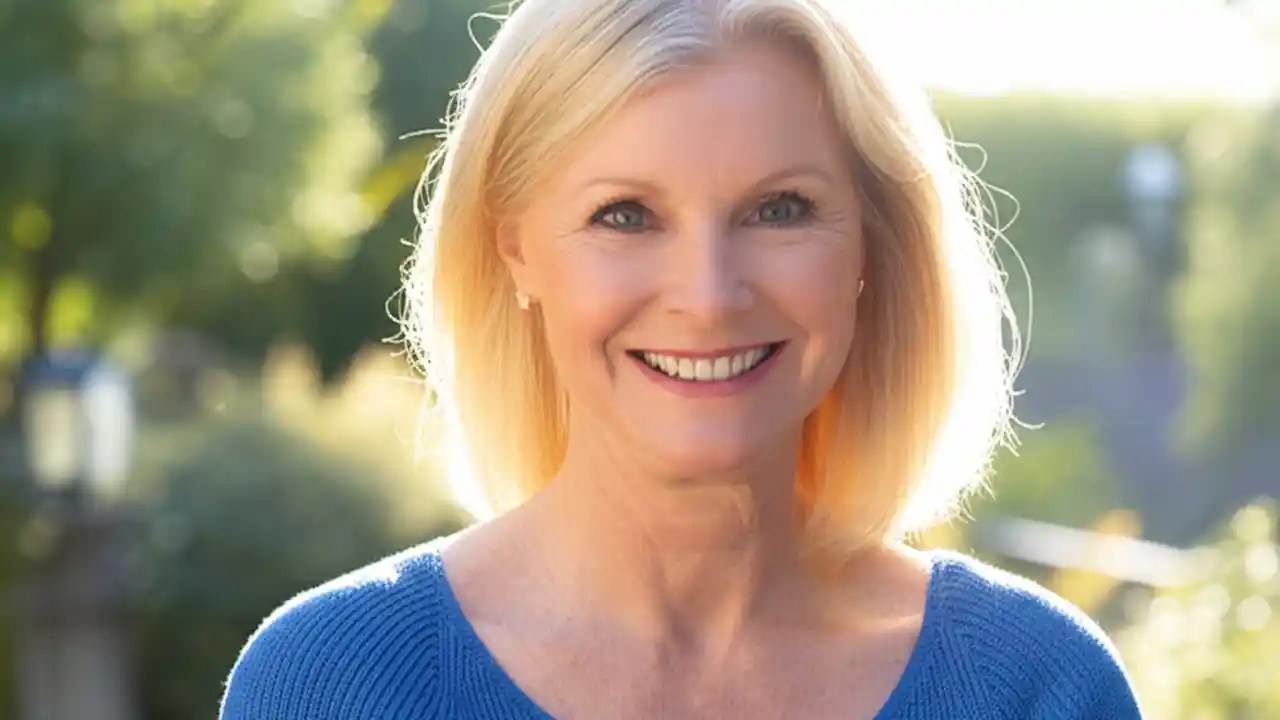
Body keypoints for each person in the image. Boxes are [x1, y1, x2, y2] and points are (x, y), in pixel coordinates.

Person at [219, 0, 1145, 717]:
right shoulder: (332, 686)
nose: (707, 296)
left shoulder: (1037, 689)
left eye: (779, 209)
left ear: (870, 246)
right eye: (625, 215)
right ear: (515, 250)